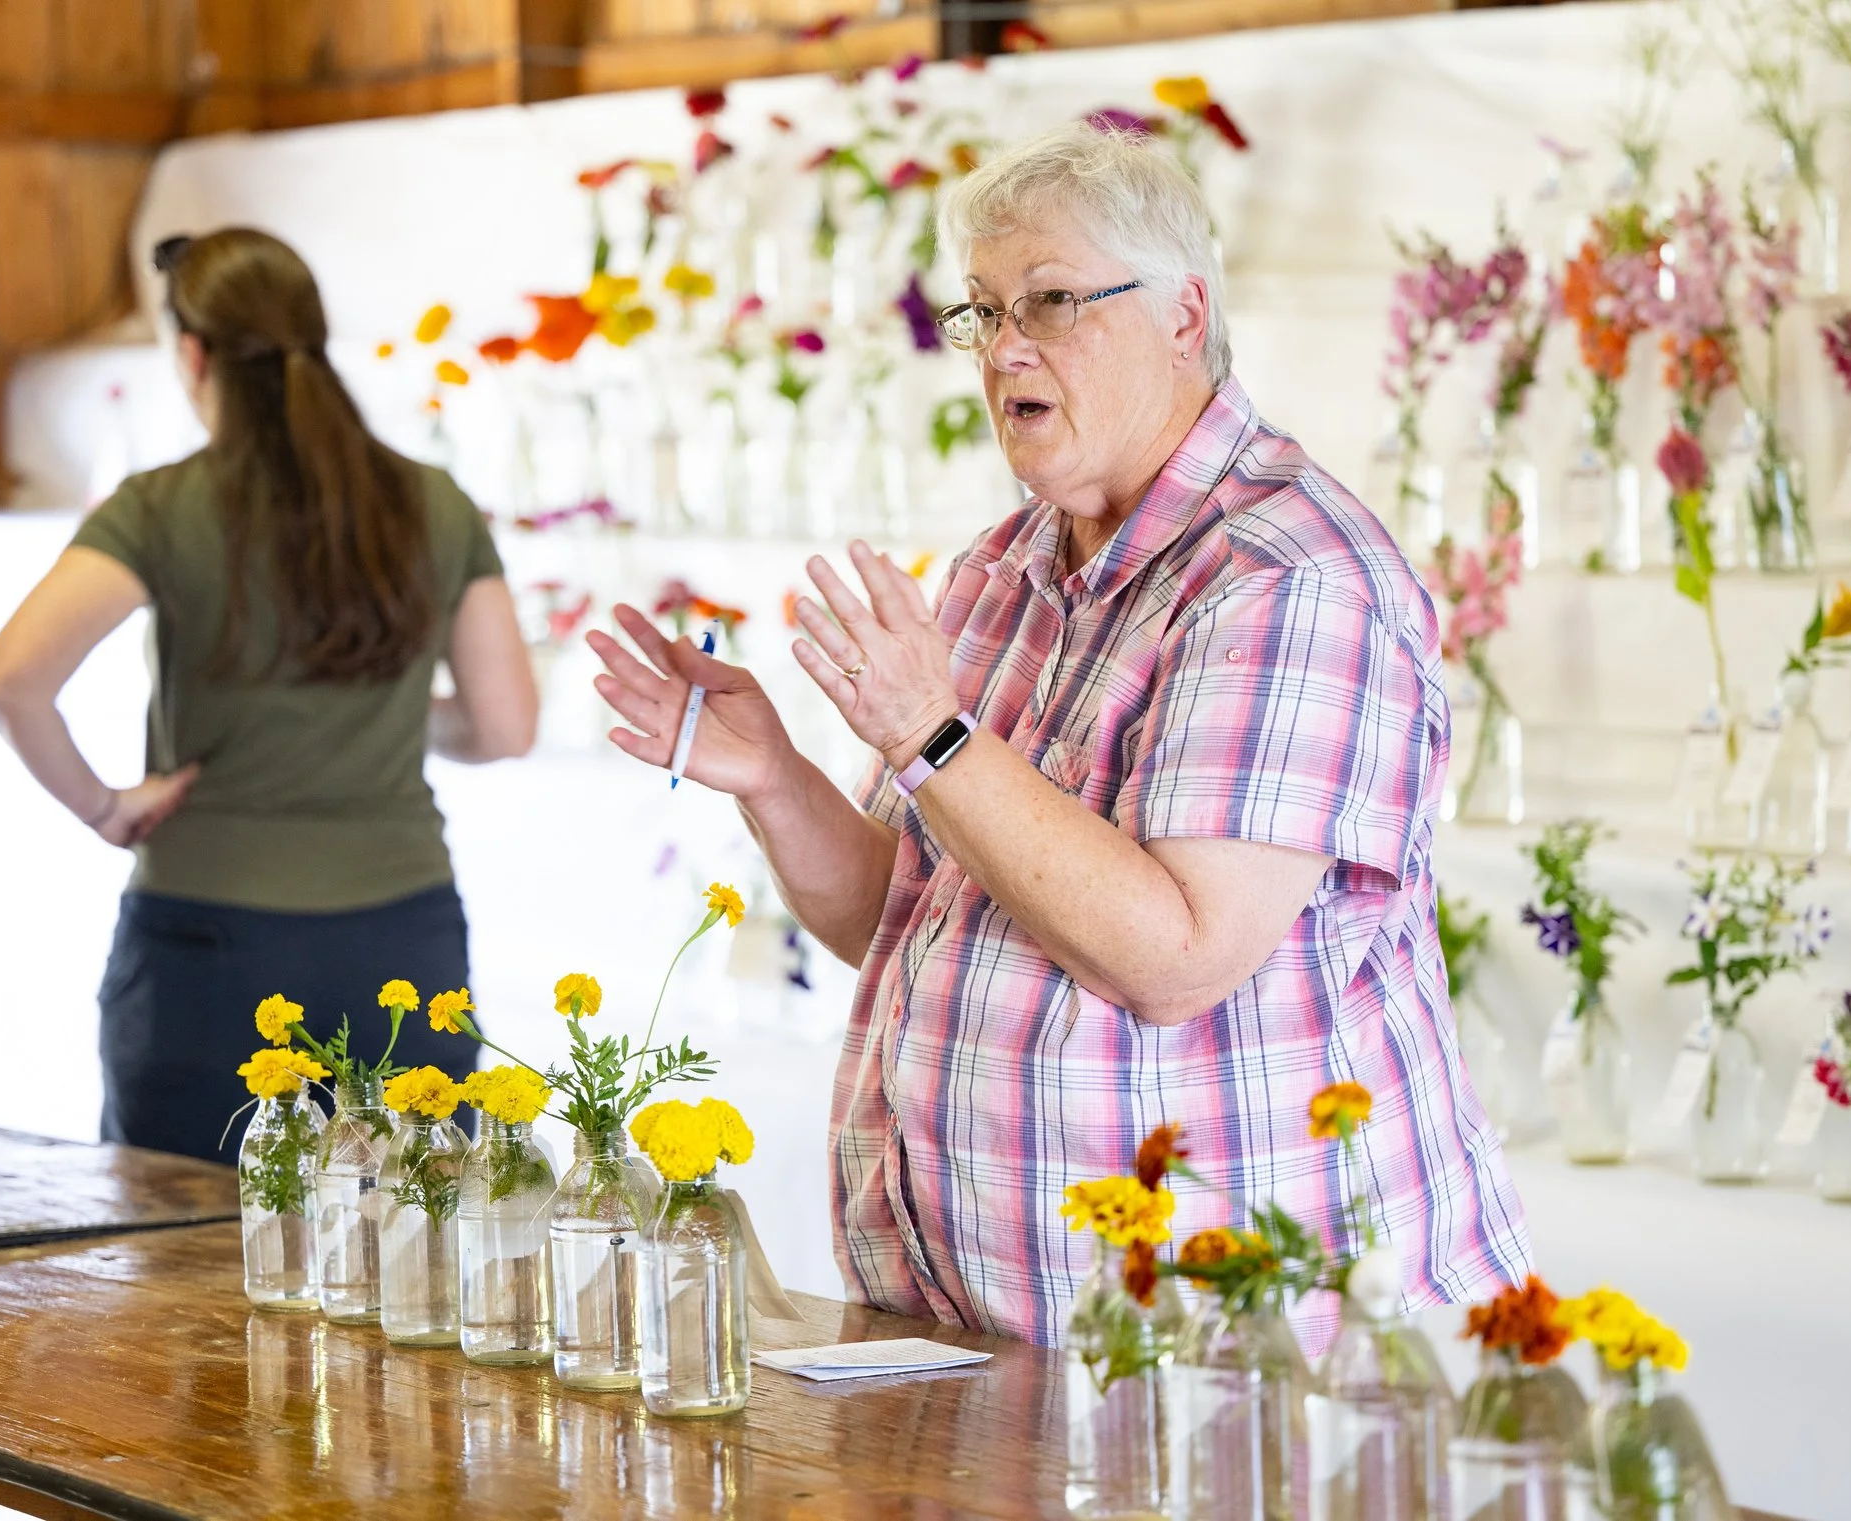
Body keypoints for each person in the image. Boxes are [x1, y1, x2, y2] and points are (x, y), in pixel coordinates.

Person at [587, 125, 1528, 1347]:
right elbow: (905, 912)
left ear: (1184, 314)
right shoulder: (999, 569)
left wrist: (932, 732)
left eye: (1051, 301)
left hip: (1233, 1346)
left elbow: (1177, 957)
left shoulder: (1291, 580)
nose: (1004, 349)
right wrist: (772, 777)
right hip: (987, 1327)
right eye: (982, 312)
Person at [0, 228, 535, 1164]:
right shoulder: (431, 503)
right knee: (414, 1257)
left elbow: (16, 680)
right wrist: (388, 714)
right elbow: (505, 724)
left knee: (180, 1262)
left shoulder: (159, 507)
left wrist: (105, 807)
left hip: (210, 950)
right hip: (399, 948)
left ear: (192, 354)